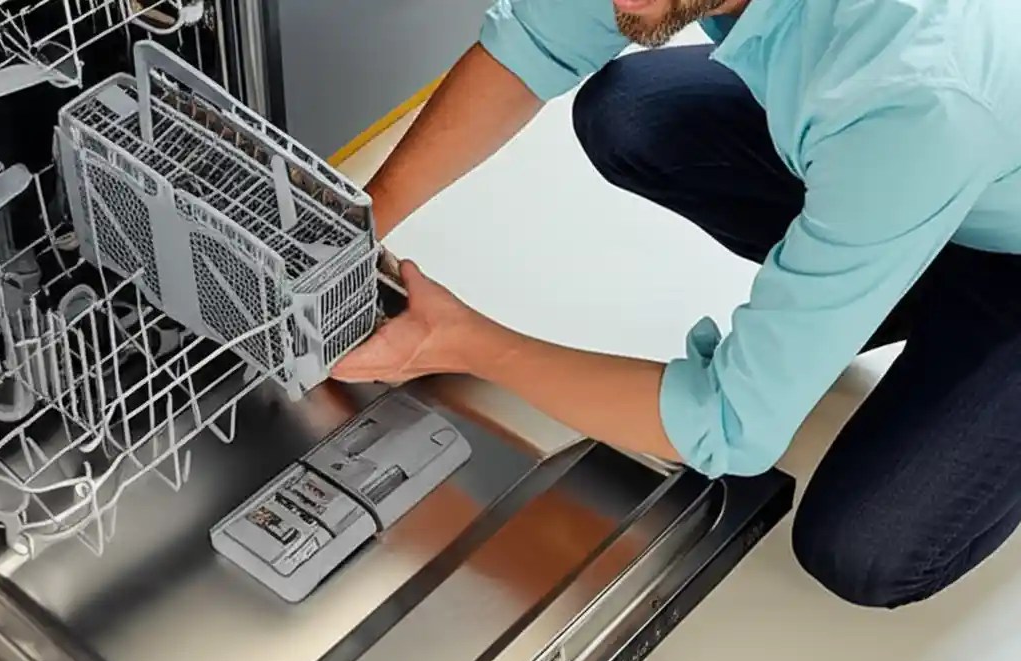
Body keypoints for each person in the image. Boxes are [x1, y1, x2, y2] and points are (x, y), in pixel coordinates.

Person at [332, 0, 1021, 609]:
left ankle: (894, 280)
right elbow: (530, 45)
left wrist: (463, 340)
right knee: (630, 115)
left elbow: (728, 425)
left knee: (865, 549)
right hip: (936, 163)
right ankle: (878, 269)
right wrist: (349, 232)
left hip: (992, 230)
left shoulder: (916, 87)